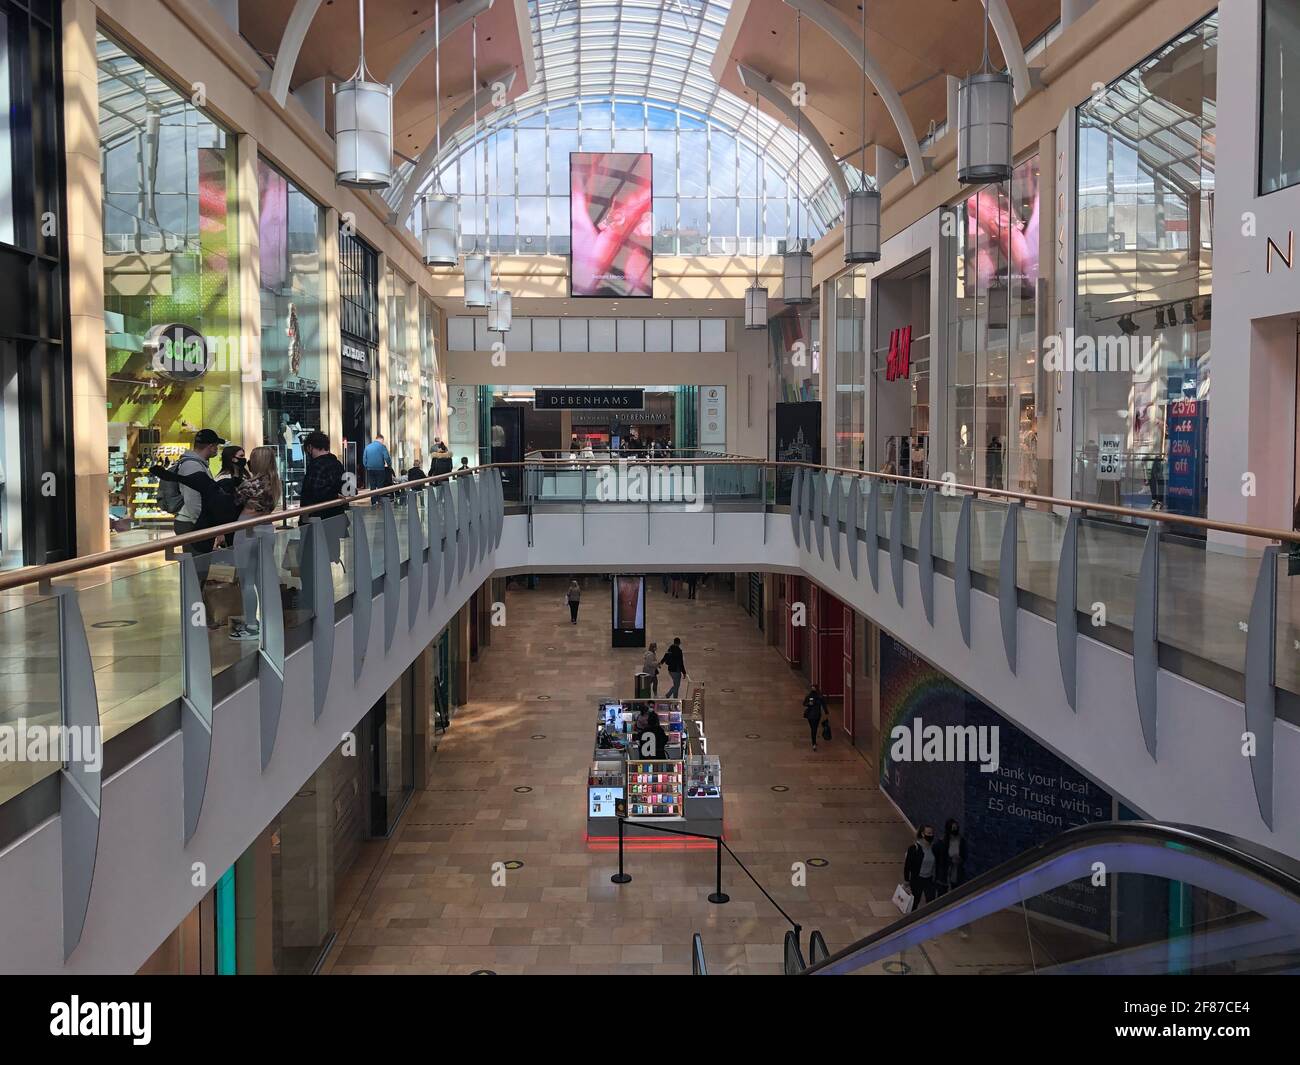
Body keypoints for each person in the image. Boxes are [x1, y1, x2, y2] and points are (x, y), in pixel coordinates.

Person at [174, 428, 224, 538]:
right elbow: (193, 500)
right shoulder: (193, 466)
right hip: (192, 523)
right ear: (210, 446)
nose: (217, 449)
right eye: (216, 446)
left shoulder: (198, 464)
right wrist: (206, 526)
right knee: (198, 555)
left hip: (193, 522)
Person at [903, 826, 939, 912]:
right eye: (929, 833)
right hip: (917, 879)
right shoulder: (914, 849)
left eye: (932, 833)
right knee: (914, 903)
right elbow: (907, 866)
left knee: (931, 901)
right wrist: (907, 881)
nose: (931, 835)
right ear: (923, 834)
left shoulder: (934, 848)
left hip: (929, 879)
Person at [934, 818, 967, 896]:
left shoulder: (961, 841)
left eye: (956, 828)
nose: (955, 830)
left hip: (957, 874)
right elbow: (939, 858)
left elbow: (965, 855)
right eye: (953, 828)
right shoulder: (941, 843)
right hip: (944, 875)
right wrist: (950, 860)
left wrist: (960, 859)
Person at [802, 685, 828, 751]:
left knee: (813, 729)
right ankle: (814, 743)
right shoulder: (820, 697)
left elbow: (804, 703)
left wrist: (809, 704)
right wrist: (826, 713)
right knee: (814, 729)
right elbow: (824, 705)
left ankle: (814, 743)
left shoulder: (809, 696)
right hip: (816, 715)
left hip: (809, 715)